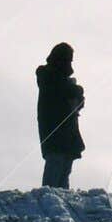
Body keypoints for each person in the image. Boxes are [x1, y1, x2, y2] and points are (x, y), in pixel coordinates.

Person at [36, 42, 85, 188]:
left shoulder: (60, 80)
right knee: (55, 166)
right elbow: (63, 90)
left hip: (67, 132)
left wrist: (77, 93)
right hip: (54, 130)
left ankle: (60, 201)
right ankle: (49, 201)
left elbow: (77, 101)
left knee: (64, 170)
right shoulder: (47, 75)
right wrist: (76, 90)